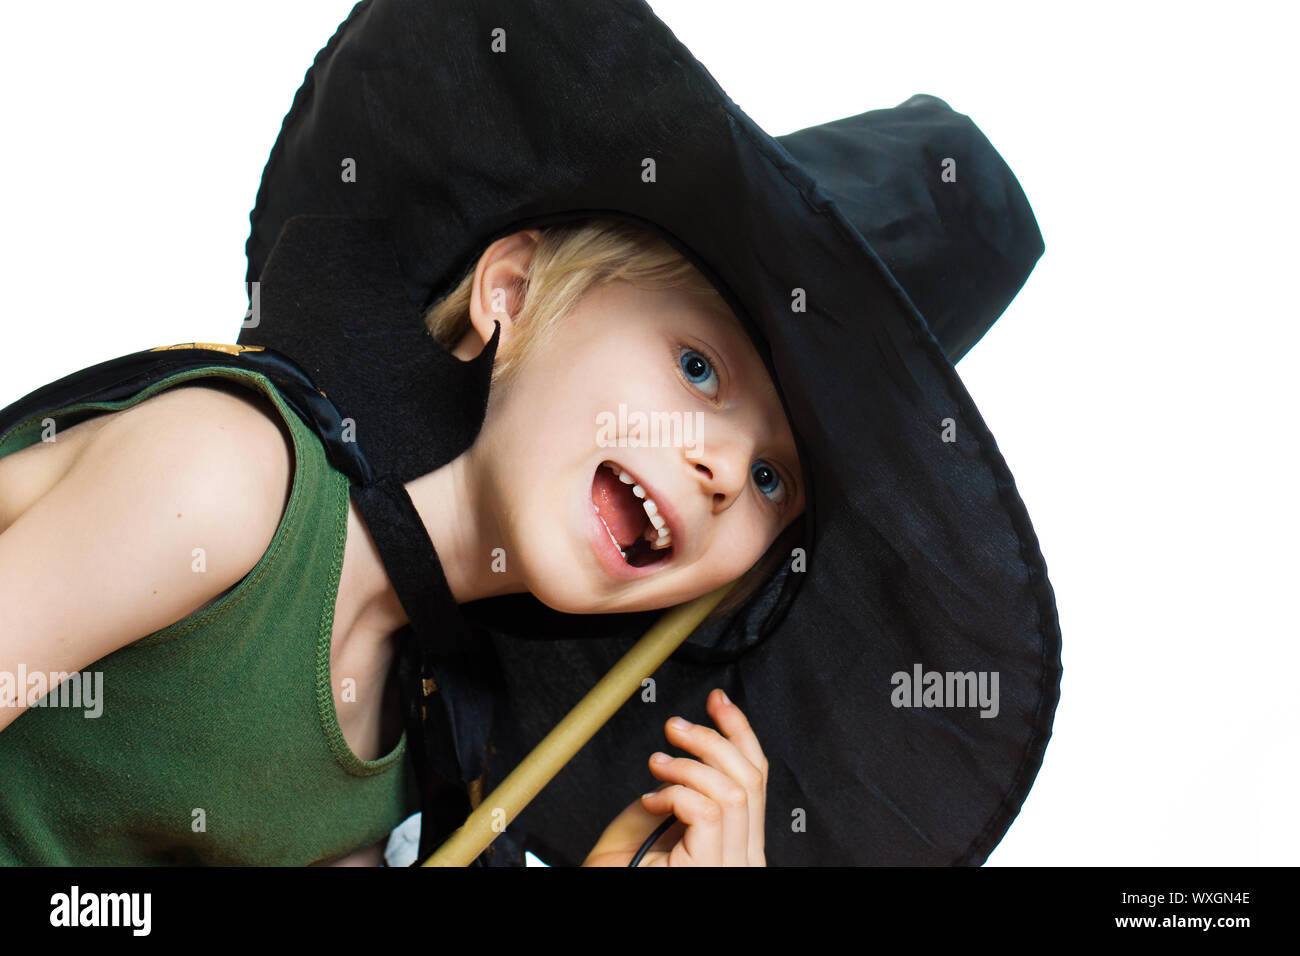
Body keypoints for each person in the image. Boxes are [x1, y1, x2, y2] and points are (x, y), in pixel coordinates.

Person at [0, 217, 794, 866]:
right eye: (697, 367)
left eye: (772, 481)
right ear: (513, 290)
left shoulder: (413, 753)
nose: (724, 469)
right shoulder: (225, 479)